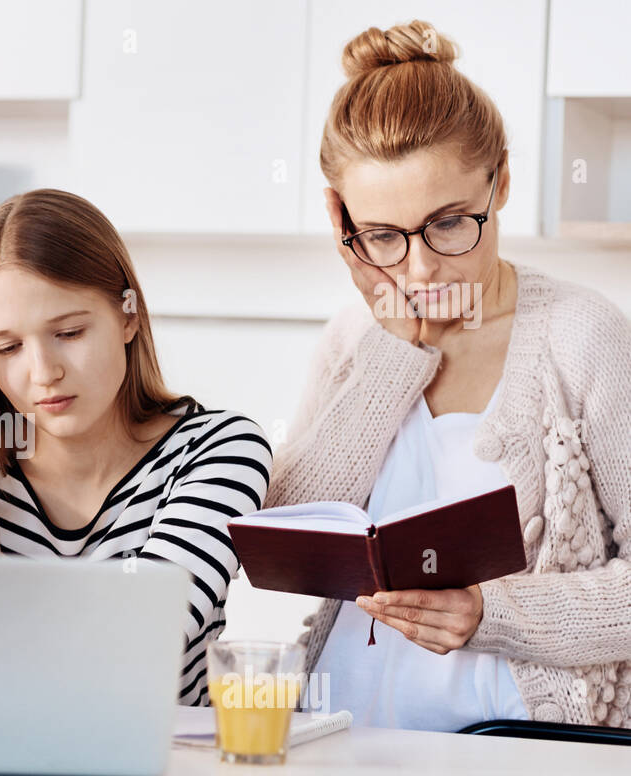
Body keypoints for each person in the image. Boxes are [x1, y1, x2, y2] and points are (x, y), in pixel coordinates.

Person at [267, 20, 631, 730]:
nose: (421, 267)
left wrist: (494, 614)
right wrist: (394, 348)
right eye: (383, 236)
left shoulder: (581, 335)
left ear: (500, 182)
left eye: (449, 222)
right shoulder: (353, 339)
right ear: (341, 218)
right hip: (344, 729)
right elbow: (292, 532)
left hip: (526, 746)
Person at [0, 188, 272, 706]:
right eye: (9, 347)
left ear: (128, 316)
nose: (44, 373)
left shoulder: (221, 450)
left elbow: (142, 639)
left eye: (69, 332)